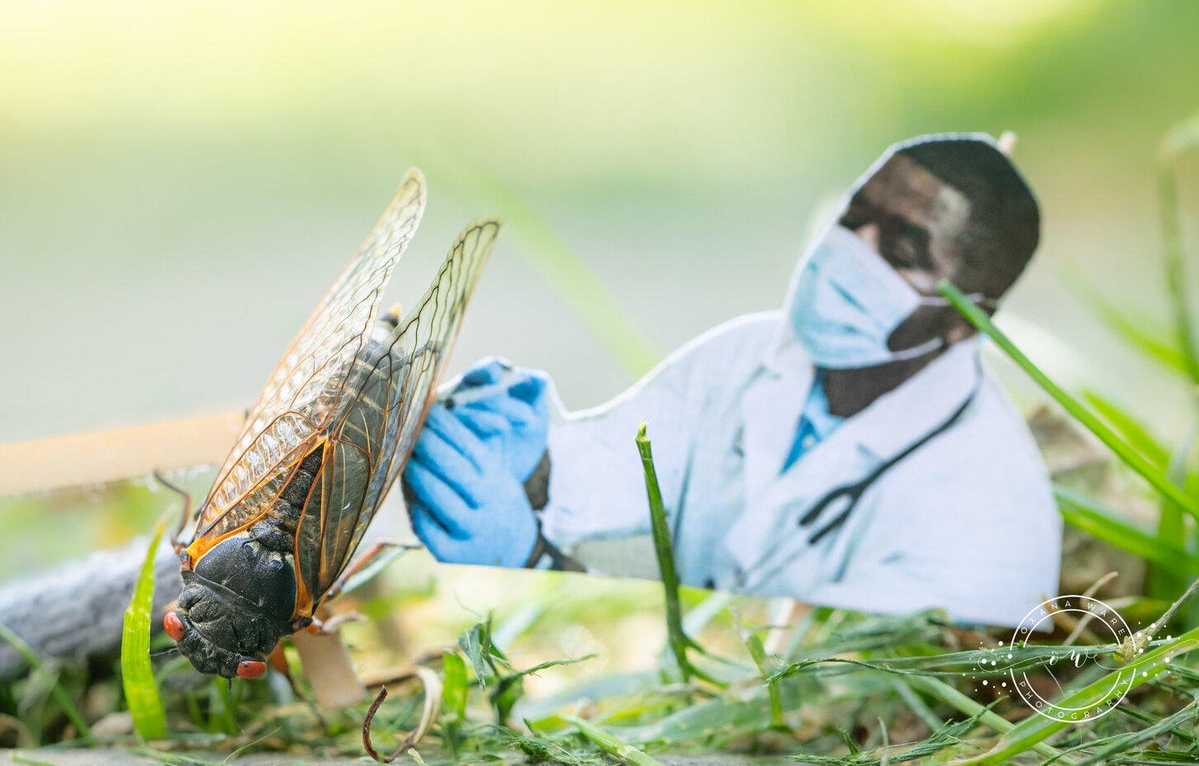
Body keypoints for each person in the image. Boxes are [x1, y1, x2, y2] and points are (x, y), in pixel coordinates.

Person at [402, 133, 1061, 627]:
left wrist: (538, 562)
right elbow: (609, 472)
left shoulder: (984, 515)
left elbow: (810, 697)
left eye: (900, 252)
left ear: (967, 320)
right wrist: (533, 457)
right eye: (853, 217)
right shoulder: (748, 354)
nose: (848, 252)